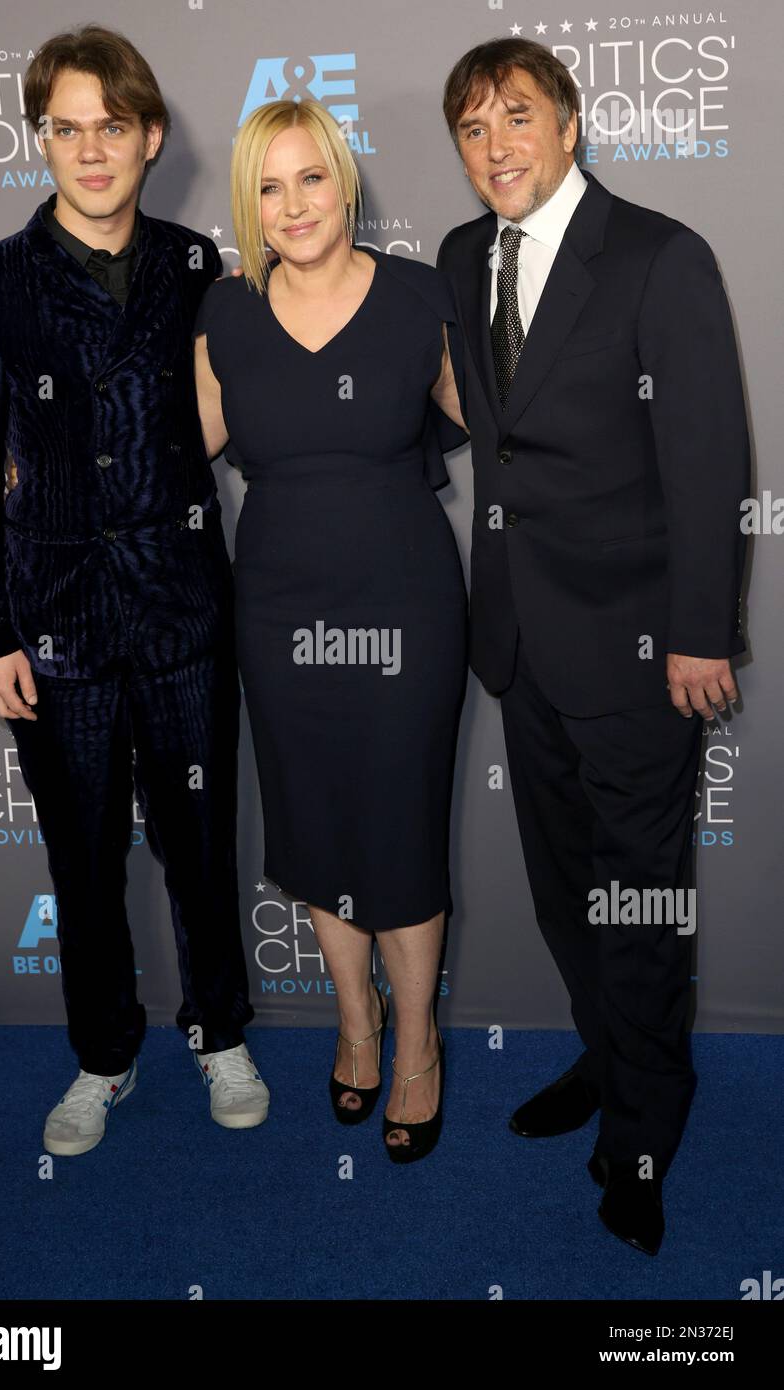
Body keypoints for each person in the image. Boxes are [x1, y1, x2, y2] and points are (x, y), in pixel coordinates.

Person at [437, 38, 749, 1252]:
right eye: (471, 128)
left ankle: (643, 1122)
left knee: (639, 896)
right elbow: (487, 421)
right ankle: (604, 1057)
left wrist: (695, 634)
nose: (495, 145)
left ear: (570, 125)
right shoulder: (465, 257)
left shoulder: (661, 255)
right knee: (569, 889)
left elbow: (710, 456)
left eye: (516, 116)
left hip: (637, 650)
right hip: (517, 635)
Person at [0, 24, 268, 1155]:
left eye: (110, 127)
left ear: (150, 137)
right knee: (80, 860)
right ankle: (102, 1053)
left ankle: (220, 1029)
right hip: (57, 625)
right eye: (66, 129)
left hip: (181, 611)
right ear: (41, 140)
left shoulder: (194, 269)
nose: (89, 152)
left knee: (201, 840)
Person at [194, 98, 469, 1163]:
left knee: (399, 822)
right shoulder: (226, 315)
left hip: (406, 601)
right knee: (315, 825)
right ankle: (356, 1028)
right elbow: (174, 445)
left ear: (344, 184)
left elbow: (495, 416)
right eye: (270, 185)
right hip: (277, 607)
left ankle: (418, 1049)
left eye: (312, 178)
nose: (294, 204)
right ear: (249, 206)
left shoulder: (417, 296)